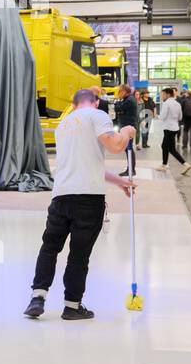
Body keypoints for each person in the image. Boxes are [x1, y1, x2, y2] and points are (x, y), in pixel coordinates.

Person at [24, 88, 135, 322]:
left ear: (74, 105)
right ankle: (72, 306)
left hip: (61, 197)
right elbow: (116, 146)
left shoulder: (64, 125)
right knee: (78, 255)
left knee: (50, 247)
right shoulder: (98, 116)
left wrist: (119, 182)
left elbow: (87, 164)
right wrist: (127, 130)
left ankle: (37, 296)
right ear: (95, 102)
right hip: (88, 200)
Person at [157, 87, 191, 176]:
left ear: (168, 94)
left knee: (171, 149)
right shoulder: (177, 104)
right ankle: (164, 165)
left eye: (163, 94)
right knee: (164, 146)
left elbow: (162, 117)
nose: (162, 96)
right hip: (175, 128)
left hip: (168, 128)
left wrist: (158, 116)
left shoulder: (166, 104)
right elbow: (180, 117)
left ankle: (185, 164)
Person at [113, 84, 138, 177]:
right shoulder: (127, 99)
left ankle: (131, 170)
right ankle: (130, 169)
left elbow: (118, 108)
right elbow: (119, 109)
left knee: (129, 149)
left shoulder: (129, 100)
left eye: (120, 91)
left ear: (124, 91)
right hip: (126, 127)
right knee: (128, 149)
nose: (118, 93)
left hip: (128, 128)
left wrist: (116, 103)